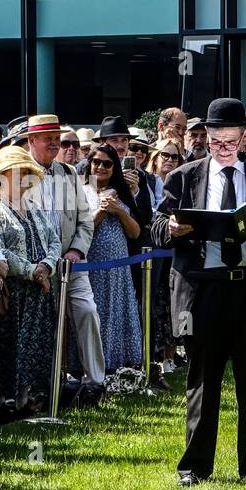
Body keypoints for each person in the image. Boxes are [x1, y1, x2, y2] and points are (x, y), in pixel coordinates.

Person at [151, 97, 246, 486]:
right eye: (216, 141)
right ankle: (194, 467)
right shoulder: (184, 176)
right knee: (202, 383)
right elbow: (157, 225)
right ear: (206, 136)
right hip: (203, 291)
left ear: (245, 137)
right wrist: (171, 230)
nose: (223, 148)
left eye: (231, 141)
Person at [23, 113, 105, 401]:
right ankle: (50, 387)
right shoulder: (17, 173)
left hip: (72, 263)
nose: (55, 145)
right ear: (31, 140)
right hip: (37, 265)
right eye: (49, 140)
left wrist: (76, 250)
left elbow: (84, 220)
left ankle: (96, 383)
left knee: (87, 312)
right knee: (47, 325)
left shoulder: (69, 174)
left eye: (57, 139)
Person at [0, 146, 58, 413]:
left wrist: (47, 266)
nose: (22, 179)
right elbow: (0, 250)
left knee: (37, 347)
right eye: (16, 173)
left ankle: (32, 398)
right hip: (14, 292)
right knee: (11, 347)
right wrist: (31, 271)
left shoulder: (34, 208)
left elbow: (54, 240)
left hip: (40, 290)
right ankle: (7, 402)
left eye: (26, 173)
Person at [81, 143, 143, 373]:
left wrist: (118, 210)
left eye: (107, 163)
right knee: (95, 314)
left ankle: (116, 363)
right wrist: (103, 210)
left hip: (118, 268)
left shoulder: (121, 193)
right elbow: (82, 229)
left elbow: (135, 232)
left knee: (116, 312)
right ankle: (90, 367)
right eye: (96, 162)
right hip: (91, 265)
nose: (101, 167)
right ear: (89, 164)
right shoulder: (80, 190)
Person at [145, 139, 184, 372]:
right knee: (153, 303)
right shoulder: (147, 181)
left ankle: (170, 357)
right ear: (156, 158)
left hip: (174, 252)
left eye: (175, 157)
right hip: (150, 252)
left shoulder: (182, 181)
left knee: (171, 304)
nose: (170, 160)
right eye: (165, 155)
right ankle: (153, 356)